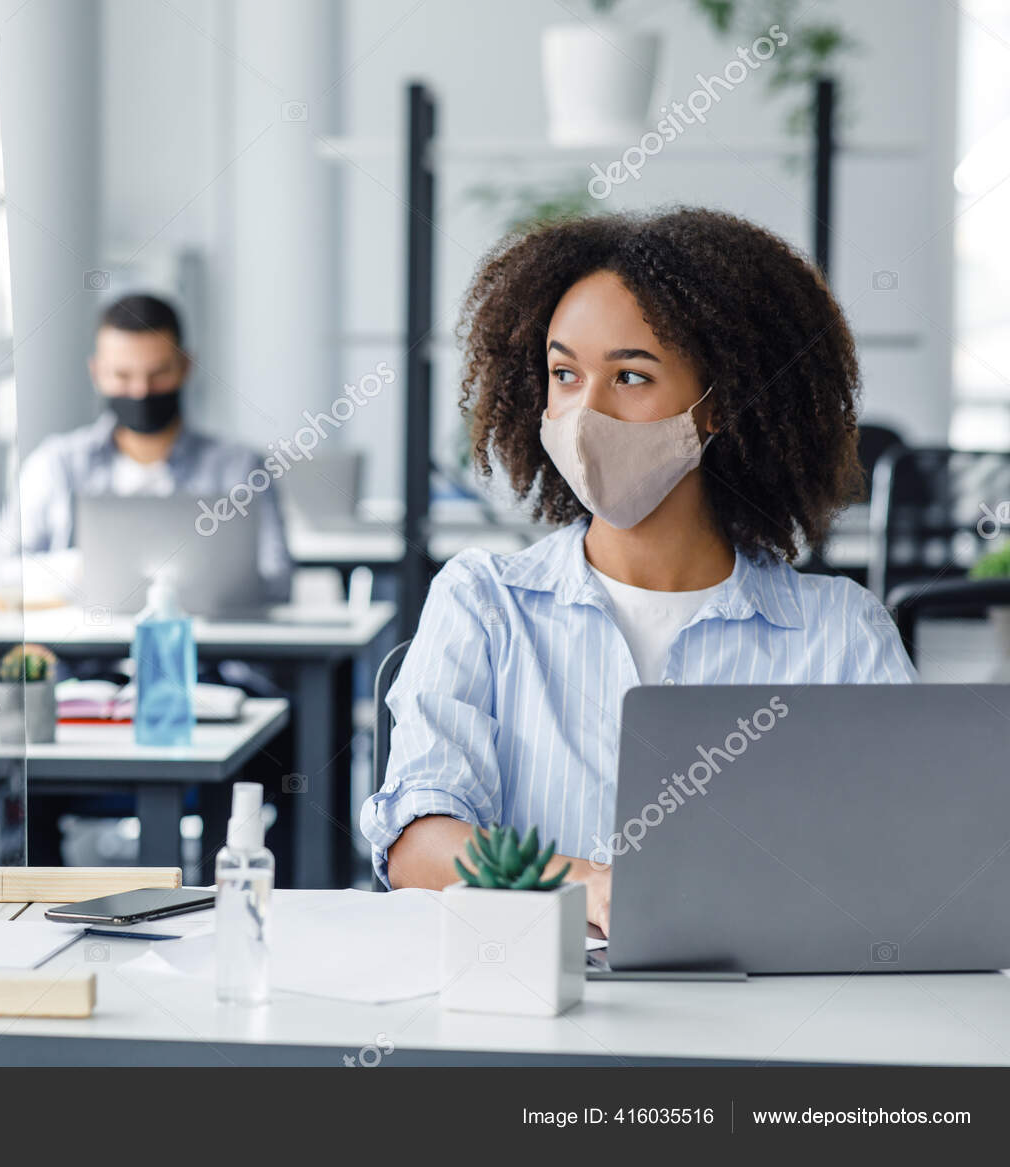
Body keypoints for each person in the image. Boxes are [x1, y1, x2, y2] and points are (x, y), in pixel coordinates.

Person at [362, 209, 913, 932]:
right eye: (564, 374)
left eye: (630, 376)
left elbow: (907, 853)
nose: (584, 411)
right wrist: (584, 885)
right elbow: (417, 840)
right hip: (533, 1015)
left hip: (762, 1020)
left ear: (720, 403)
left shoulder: (840, 632)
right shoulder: (484, 602)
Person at [0, 293, 291, 602]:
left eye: (157, 374)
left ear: (185, 366)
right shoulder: (56, 464)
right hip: (83, 653)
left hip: (204, 652)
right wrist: (78, 571)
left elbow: (277, 580)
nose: (141, 390)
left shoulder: (239, 467)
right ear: (97, 373)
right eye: (123, 375)